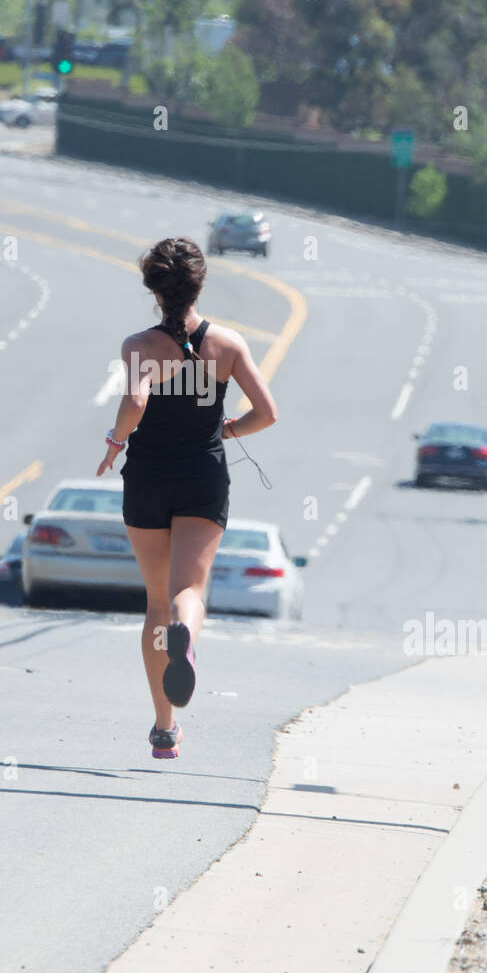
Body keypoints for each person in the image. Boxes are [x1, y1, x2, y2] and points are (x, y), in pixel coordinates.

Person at [96, 236, 278, 759]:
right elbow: (266, 413)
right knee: (189, 591)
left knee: (154, 601)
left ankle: (163, 726)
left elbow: (134, 401)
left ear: (153, 288)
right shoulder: (228, 344)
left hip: (149, 477)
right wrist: (227, 431)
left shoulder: (139, 346)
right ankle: (186, 633)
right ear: (199, 284)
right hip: (203, 474)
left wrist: (115, 443)